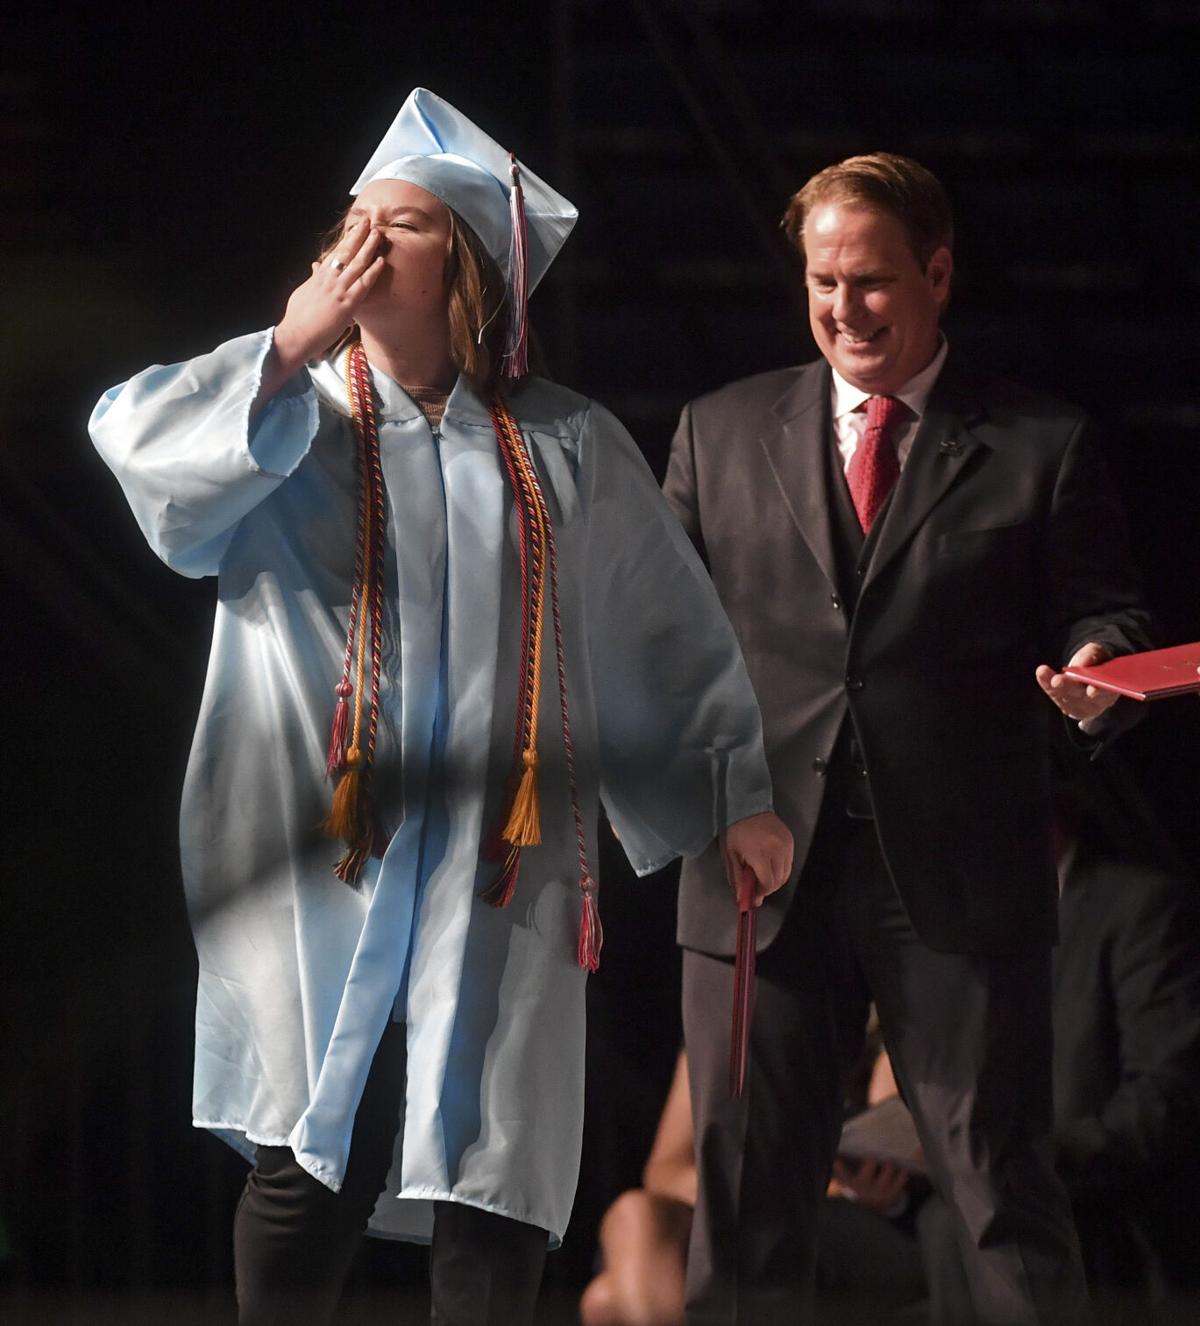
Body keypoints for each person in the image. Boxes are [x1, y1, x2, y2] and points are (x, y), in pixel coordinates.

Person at [89, 88, 792, 1326]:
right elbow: (143, 454)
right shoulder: (287, 418)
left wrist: (731, 793)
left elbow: (660, 628)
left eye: (398, 224)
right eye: (349, 223)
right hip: (329, 852)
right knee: (313, 1152)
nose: (359, 245)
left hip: (497, 861)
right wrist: (290, 341)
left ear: (461, 265)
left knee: (490, 1170)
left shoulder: (562, 446)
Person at [662, 151, 1154, 1325]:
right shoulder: (717, 432)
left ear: (938, 273)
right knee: (743, 1201)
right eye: (823, 282)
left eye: (873, 281)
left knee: (1000, 1195)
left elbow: (1108, 613)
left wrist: (1097, 672)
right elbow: (656, 638)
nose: (845, 308)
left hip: (959, 872)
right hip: (754, 864)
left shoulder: (1042, 443)